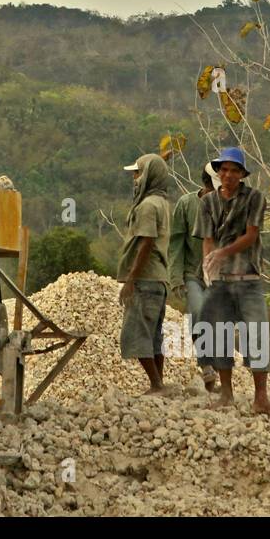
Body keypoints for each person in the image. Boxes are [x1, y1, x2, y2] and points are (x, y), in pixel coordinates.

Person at [195, 146, 270, 418]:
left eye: (234, 170)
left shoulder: (254, 198)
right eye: (224, 169)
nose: (228, 175)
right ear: (218, 172)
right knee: (218, 333)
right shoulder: (207, 203)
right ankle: (226, 393)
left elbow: (251, 235)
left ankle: (261, 398)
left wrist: (222, 253)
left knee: (256, 334)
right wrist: (209, 263)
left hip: (248, 278)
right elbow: (207, 239)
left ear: (242, 174)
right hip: (221, 280)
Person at [117, 153, 173, 396]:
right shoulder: (162, 203)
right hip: (159, 279)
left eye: (138, 173)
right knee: (154, 334)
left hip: (146, 278)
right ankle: (158, 383)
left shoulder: (148, 206)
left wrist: (130, 280)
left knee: (136, 333)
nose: (134, 178)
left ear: (148, 175)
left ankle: (156, 384)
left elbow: (147, 242)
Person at [169, 163, 219, 391]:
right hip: (193, 273)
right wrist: (175, 277)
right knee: (198, 311)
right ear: (205, 185)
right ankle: (205, 362)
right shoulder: (186, 204)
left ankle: (215, 372)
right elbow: (176, 243)